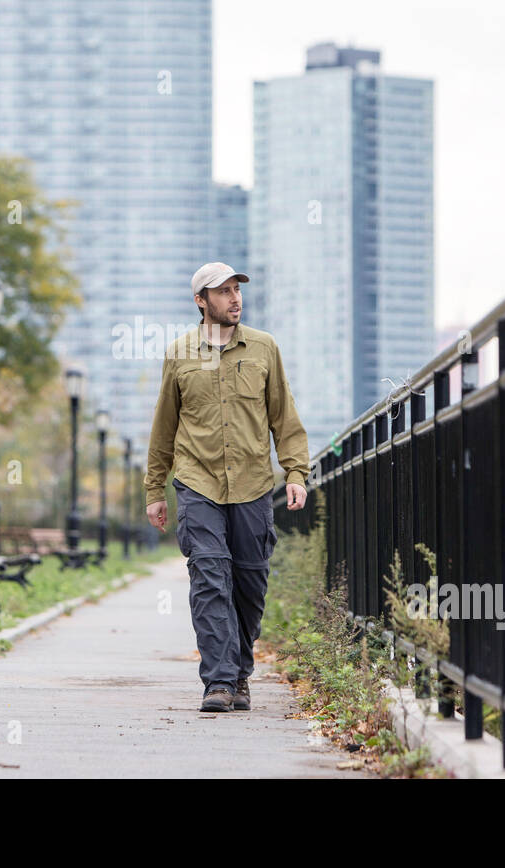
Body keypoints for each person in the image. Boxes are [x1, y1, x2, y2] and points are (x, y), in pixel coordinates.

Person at [144, 262, 310, 712]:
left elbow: (284, 417)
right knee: (210, 576)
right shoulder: (179, 354)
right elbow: (164, 427)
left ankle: (239, 672)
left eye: (237, 290)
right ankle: (218, 681)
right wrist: (154, 490)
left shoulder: (263, 348)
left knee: (250, 581)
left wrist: (296, 473)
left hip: (254, 483)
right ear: (201, 301)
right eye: (223, 292)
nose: (234, 298)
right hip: (197, 483)